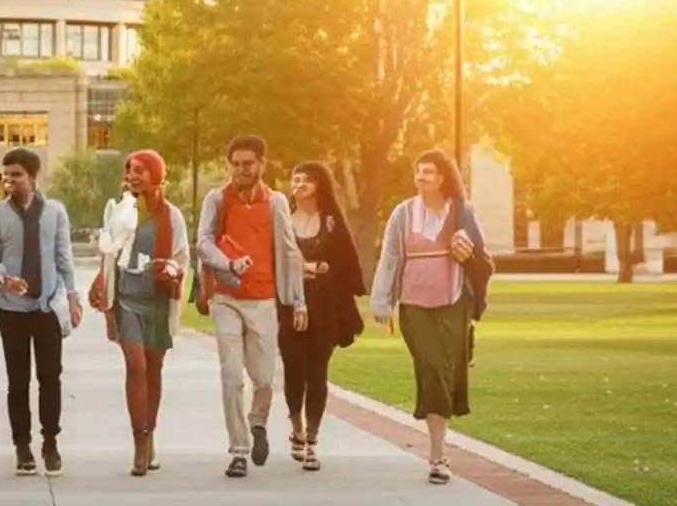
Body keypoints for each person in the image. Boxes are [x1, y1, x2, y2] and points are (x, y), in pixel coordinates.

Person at [370, 149, 494, 485]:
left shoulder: (463, 213)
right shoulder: (403, 213)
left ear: (443, 177)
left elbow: (483, 260)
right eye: (418, 171)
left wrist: (465, 249)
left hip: (453, 304)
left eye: (428, 172)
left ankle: (438, 453)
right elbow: (391, 257)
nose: (421, 177)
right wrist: (382, 301)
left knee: (444, 371)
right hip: (414, 305)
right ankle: (438, 454)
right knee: (432, 366)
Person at [196, 134, 307, 478]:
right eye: (236, 164)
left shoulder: (275, 202)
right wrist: (227, 264)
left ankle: (258, 422)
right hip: (227, 297)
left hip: (262, 299)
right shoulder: (216, 199)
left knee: (263, 377)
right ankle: (239, 449)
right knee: (231, 374)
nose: (242, 170)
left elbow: (289, 252)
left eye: (249, 163)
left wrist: (298, 300)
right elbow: (203, 242)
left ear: (262, 164)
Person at [0, 148, 83, 477]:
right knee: (18, 380)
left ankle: (50, 442)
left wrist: (72, 295)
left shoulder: (54, 212)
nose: (9, 180)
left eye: (16, 174)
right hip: (12, 310)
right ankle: (22, 446)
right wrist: (3, 279)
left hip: (46, 307)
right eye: (6, 174)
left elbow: (64, 256)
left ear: (33, 177)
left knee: (50, 378)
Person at [88, 150, 189, 476]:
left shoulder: (171, 216)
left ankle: (151, 433)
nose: (133, 175)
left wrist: (171, 267)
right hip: (127, 300)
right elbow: (109, 255)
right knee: (136, 366)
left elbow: (182, 257)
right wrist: (103, 295)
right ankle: (139, 443)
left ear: (156, 175)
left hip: (157, 301)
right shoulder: (118, 211)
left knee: (154, 369)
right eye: (130, 170)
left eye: (141, 170)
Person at [280, 161, 366, 471]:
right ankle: (297, 429)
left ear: (319, 185)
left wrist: (325, 274)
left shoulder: (330, 222)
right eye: (296, 178)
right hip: (289, 306)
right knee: (293, 370)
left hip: (325, 306)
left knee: (317, 372)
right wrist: (309, 268)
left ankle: (313, 439)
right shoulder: (283, 220)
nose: (299, 184)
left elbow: (344, 262)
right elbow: (277, 263)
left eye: (306, 180)